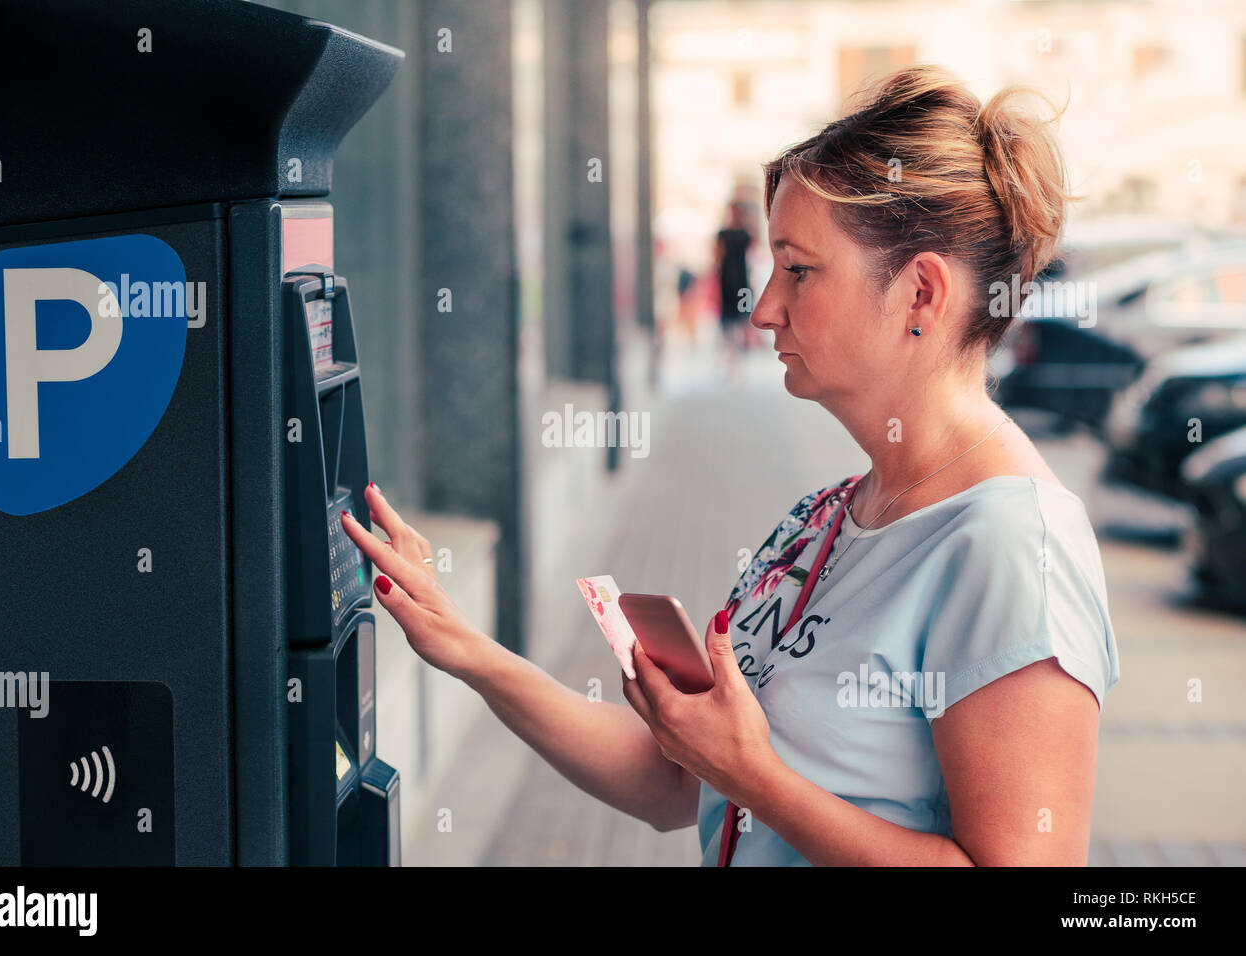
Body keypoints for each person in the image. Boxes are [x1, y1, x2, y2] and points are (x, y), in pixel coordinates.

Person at [340, 65, 1119, 866]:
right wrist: (467, 648)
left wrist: (754, 775)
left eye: (800, 270)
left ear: (921, 294)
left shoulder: (1016, 549)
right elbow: (676, 781)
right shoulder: (830, 516)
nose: (763, 306)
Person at [714, 200, 753, 377]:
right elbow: (717, 255)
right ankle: (731, 359)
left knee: (744, 317)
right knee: (728, 321)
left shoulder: (745, 234)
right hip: (727, 283)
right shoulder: (723, 233)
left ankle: (741, 355)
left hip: (742, 283)